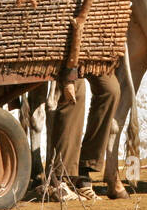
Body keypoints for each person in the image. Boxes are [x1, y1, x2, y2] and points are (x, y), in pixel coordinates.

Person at [42, 70, 120, 200]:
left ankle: (84, 167)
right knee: (76, 90)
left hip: (88, 54)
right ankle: (59, 178)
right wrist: (69, 76)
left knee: (111, 90)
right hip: (68, 57)